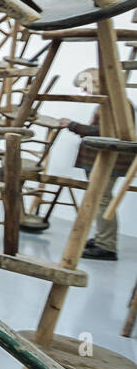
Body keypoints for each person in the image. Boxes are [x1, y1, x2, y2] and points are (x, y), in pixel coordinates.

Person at [62, 68, 133, 261]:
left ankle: (106, 245)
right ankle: (103, 238)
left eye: (85, 86)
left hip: (110, 160)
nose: (84, 91)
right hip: (105, 159)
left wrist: (73, 125)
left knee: (102, 201)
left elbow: (106, 131)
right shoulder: (109, 101)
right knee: (100, 200)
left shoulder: (116, 102)